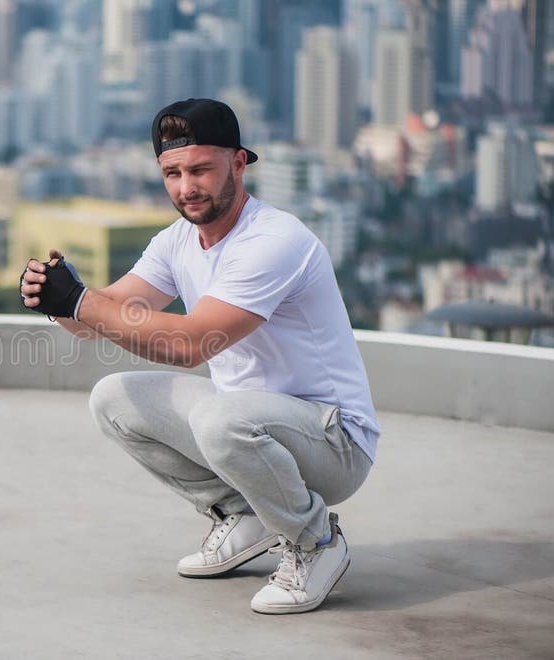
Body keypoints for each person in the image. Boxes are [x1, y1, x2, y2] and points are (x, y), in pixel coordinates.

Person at [19, 98, 380, 615]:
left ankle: (314, 541)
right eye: (172, 172)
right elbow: (96, 318)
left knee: (218, 418)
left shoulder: (274, 240)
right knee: (114, 399)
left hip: (336, 441)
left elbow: (193, 344)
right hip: (247, 422)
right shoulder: (177, 241)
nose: (186, 187)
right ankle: (247, 514)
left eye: (201, 170)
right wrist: (53, 297)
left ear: (238, 162)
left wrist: (83, 301)